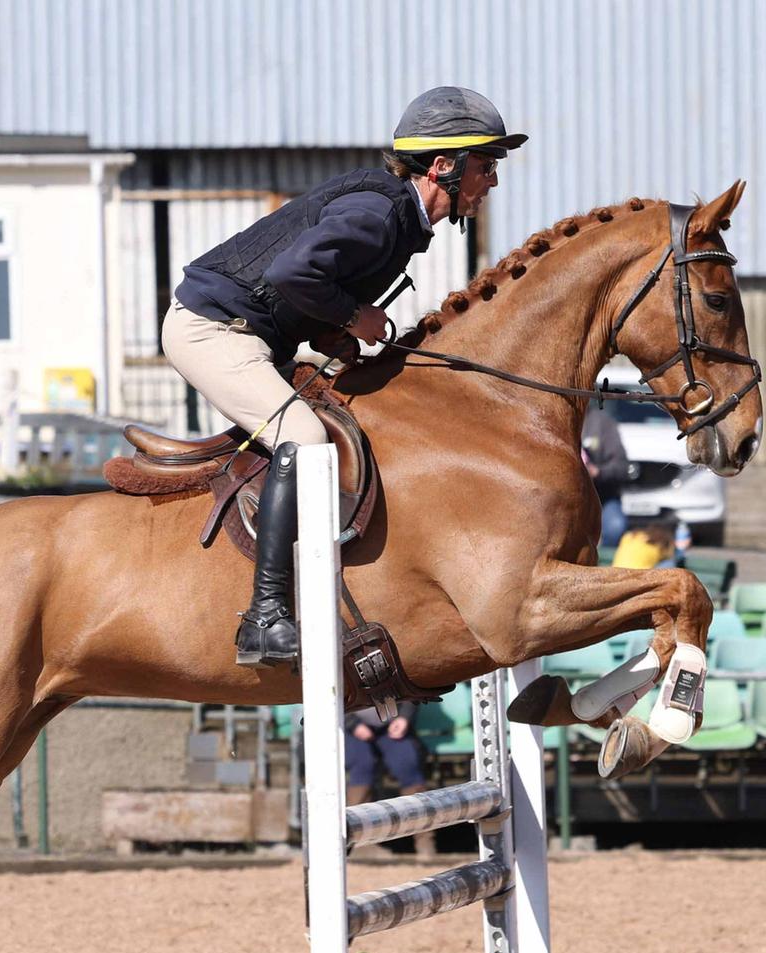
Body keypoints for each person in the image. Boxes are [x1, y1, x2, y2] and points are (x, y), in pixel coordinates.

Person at [163, 86, 526, 668]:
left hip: (252, 331)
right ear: (443, 167)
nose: (493, 182)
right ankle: (264, 616)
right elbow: (291, 273)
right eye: (485, 166)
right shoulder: (379, 213)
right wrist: (355, 316)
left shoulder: (399, 219)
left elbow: (302, 290)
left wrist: (332, 332)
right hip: (213, 331)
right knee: (304, 441)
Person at [344, 700, 429, 855]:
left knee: (407, 764)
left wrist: (404, 717)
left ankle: (425, 845)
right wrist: (352, 723)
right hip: (349, 727)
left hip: (392, 724)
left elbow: (412, 693)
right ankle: (359, 845)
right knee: (362, 764)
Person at [581, 405, 631, 548]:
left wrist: (597, 472)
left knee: (615, 527)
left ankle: (604, 565)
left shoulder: (602, 423)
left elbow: (622, 467)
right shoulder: (555, 420)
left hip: (602, 496)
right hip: (566, 498)